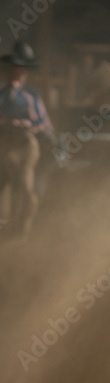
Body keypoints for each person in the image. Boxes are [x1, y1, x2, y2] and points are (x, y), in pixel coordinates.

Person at [0, 41, 54, 239]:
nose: (18, 71)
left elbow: (44, 124)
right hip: (3, 142)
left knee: (24, 184)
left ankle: (21, 230)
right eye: (14, 67)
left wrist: (26, 125)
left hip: (25, 143)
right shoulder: (2, 93)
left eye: (22, 67)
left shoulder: (30, 95)